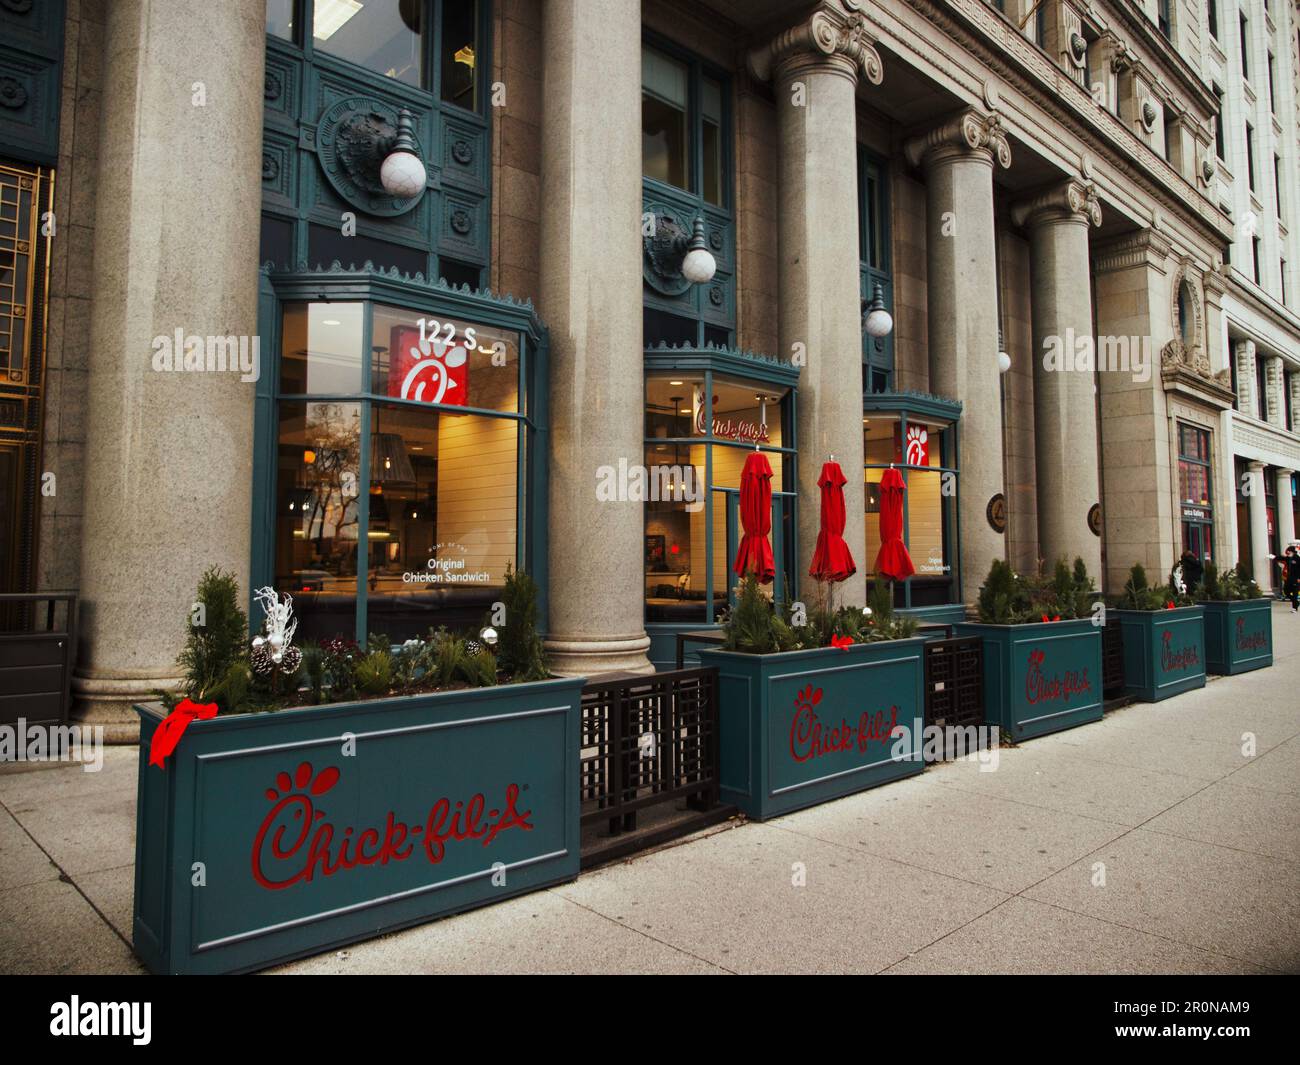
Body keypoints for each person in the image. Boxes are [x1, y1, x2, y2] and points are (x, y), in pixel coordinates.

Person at [1283, 545, 1300, 614]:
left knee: (1295, 593)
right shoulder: (1289, 558)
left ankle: (1294, 608)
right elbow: (1282, 559)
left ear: (1292, 552)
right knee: (1286, 591)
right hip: (1289, 578)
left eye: (1288, 551)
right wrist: (1274, 557)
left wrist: (1299, 578)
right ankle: (1296, 602)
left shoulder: (1297, 558)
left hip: (1296, 579)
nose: (1287, 553)